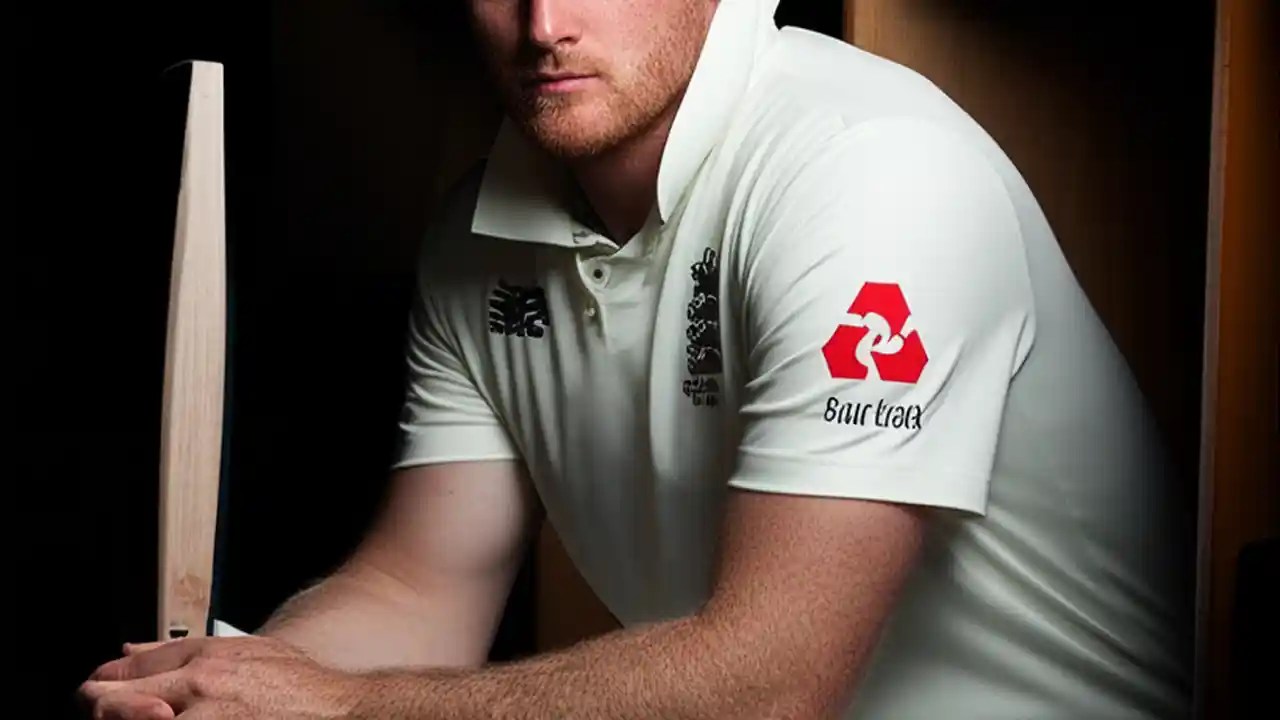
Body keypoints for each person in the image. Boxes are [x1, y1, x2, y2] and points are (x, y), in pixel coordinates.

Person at [80, 0, 1194, 717]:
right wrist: (230, 687)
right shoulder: (476, 234)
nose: (543, 22)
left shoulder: (867, 171)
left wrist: (338, 709)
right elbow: (418, 588)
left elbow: (771, 684)